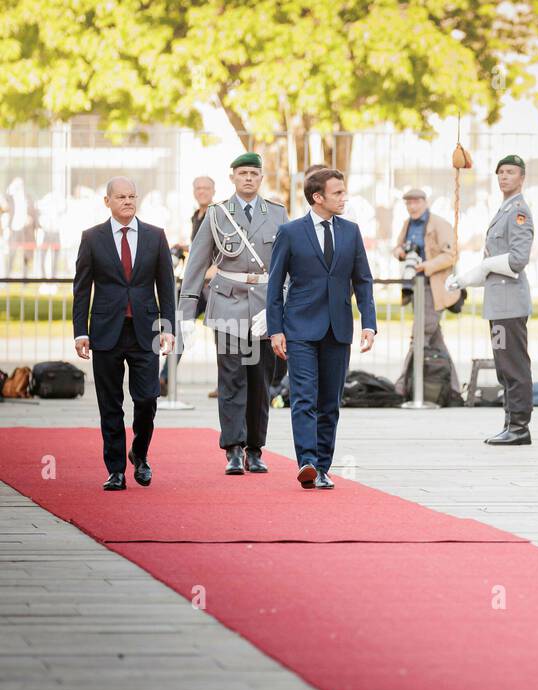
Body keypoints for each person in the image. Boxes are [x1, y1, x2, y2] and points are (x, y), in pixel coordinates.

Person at [266, 167, 377, 490]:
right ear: (318, 197)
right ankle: (308, 462)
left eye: (344, 191)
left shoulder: (351, 231)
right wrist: (276, 329)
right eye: (338, 192)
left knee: (330, 401)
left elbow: (363, 281)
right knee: (303, 398)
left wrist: (369, 323)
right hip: (299, 328)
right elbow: (275, 286)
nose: (344, 198)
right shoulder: (290, 232)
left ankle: (324, 467)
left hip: (338, 329)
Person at [179, 152, 287, 475]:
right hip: (227, 304)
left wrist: (281, 308)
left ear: (261, 178)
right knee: (231, 377)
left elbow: (287, 265)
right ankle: (233, 449)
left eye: (254, 173)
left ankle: (255, 448)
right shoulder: (217, 214)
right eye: (243, 173)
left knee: (259, 379)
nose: (249, 178)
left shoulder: (278, 214)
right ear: (232, 178)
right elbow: (196, 264)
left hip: (264, 308)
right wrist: (185, 311)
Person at [71, 177, 177, 490]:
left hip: (145, 331)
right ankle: (115, 470)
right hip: (105, 333)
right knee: (110, 404)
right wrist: (80, 332)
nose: (128, 201)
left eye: (132, 196)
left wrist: (168, 328)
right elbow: (82, 290)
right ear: (108, 202)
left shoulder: (155, 237)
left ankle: (139, 454)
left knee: (147, 398)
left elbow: (166, 287)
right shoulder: (92, 238)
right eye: (121, 197)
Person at [448, 155, 535, 444]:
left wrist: (484, 267)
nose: (504, 177)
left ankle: (520, 426)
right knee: (504, 367)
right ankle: (511, 423)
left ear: (521, 177)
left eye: (510, 172)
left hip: (510, 304)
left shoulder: (519, 211)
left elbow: (517, 260)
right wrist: (463, 279)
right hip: (498, 304)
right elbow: (490, 263)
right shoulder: (504, 209)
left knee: (514, 366)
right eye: (500, 172)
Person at [392, 186, 462, 402]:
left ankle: (401, 387)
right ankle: (455, 391)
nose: (412, 206)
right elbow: (397, 247)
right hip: (416, 288)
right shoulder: (407, 224)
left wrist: (427, 266)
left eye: (416, 202)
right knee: (436, 340)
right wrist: (400, 252)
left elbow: (451, 254)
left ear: (425, 202)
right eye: (408, 203)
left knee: (419, 336)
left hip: (434, 287)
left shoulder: (439, 224)